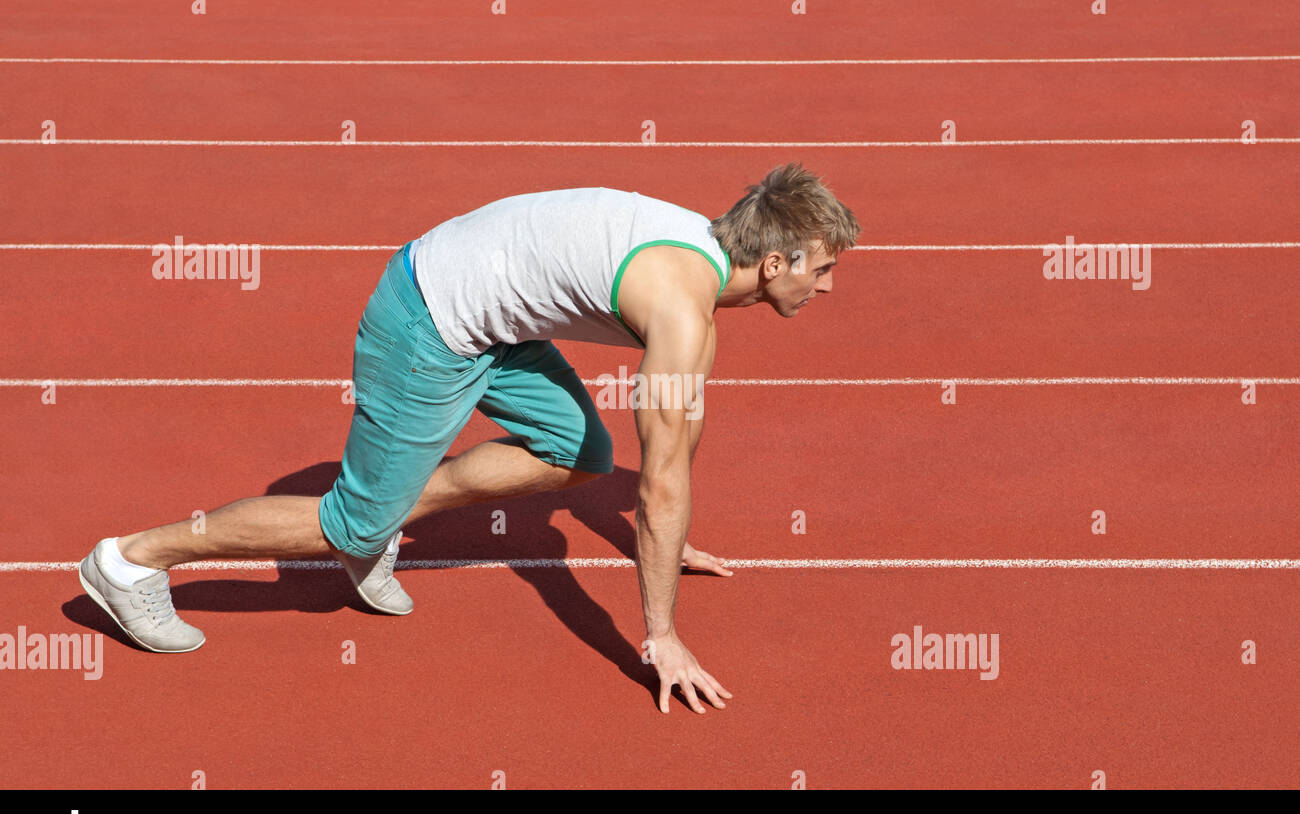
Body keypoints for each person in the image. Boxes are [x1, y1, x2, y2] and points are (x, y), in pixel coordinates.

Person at [78, 162, 860, 714]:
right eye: (821, 270)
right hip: (427, 318)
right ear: (774, 260)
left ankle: (388, 518)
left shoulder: (703, 269)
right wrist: (661, 636)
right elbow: (659, 484)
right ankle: (132, 560)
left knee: (577, 453)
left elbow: (671, 459)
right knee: (350, 522)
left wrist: (671, 534)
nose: (826, 287)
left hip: (490, 308)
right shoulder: (684, 313)